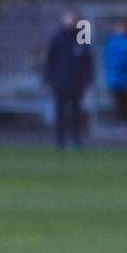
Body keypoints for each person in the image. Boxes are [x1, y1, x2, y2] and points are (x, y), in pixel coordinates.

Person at [43, 10, 94, 149]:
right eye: (67, 20)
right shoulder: (57, 39)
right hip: (60, 82)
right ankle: (60, 139)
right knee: (60, 112)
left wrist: (89, 80)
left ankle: (76, 139)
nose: (69, 23)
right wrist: (47, 79)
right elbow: (50, 61)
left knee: (76, 112)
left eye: (71, 20)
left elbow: (88, 61)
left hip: (77, 82)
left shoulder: (81, 38)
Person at [103, 19, 127, 128]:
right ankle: (117, 122)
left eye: (123, 27)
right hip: (114, 77)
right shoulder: (112, 41)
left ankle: (126, 122)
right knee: (116, 101)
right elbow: (107, 57)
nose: (121, 29)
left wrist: (126, 67)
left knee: (125, 101)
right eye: (119, 27)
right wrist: (113, 68)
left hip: (126, 77)